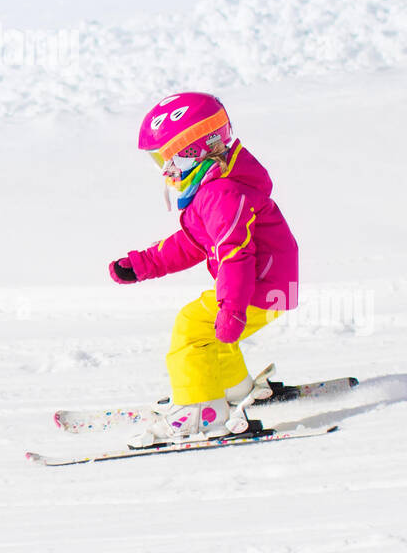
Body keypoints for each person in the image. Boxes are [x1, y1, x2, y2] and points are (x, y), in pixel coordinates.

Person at [109, 91, 299, 448]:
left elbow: (234, 257)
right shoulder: (218, 188)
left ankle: (200, 410)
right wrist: (141, 264)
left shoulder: (221, 194)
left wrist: (232, 309)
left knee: (191, 328)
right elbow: (193, 242)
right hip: (269, 283)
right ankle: (235, 388)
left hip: (259, 285)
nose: (163, 169)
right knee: (212, 330)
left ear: (192, 150)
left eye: (164, 157)